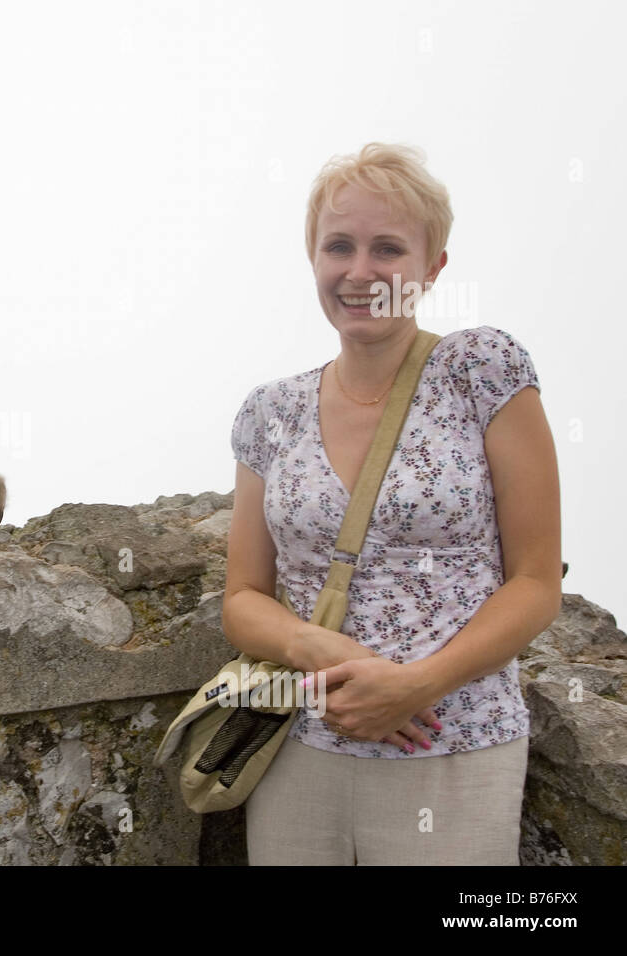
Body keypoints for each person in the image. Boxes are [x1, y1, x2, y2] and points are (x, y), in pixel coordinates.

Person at [222, 143, 562, 865]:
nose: (360, 271)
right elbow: (244, 596)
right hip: (300, 748)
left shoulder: (481, 370)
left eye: (389, 248)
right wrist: (315, 648)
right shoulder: (270, 412)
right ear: (312, 257)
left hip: (453, 744)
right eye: (338, 246)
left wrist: (414, 686)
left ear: (432, 266)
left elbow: (536, 582)